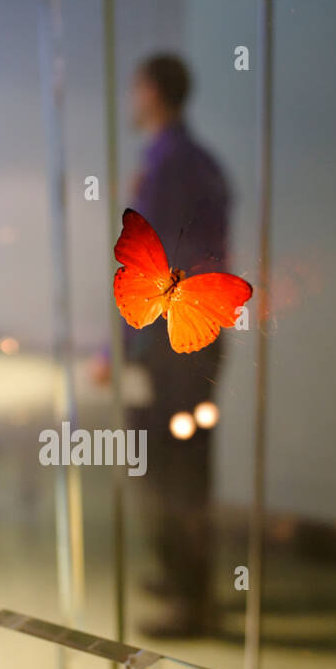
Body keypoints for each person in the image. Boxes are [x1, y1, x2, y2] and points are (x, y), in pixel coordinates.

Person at [125, 53, 233, 638]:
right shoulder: (192, 160)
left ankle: (194, 601)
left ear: (153, 92)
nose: (131, 98)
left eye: (136, 87)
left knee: (174, 470)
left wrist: (128, 342)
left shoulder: (169, 164)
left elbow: (154, 264)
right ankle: (180, 577)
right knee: (179, 464)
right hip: (192, 335)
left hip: (172, 342)